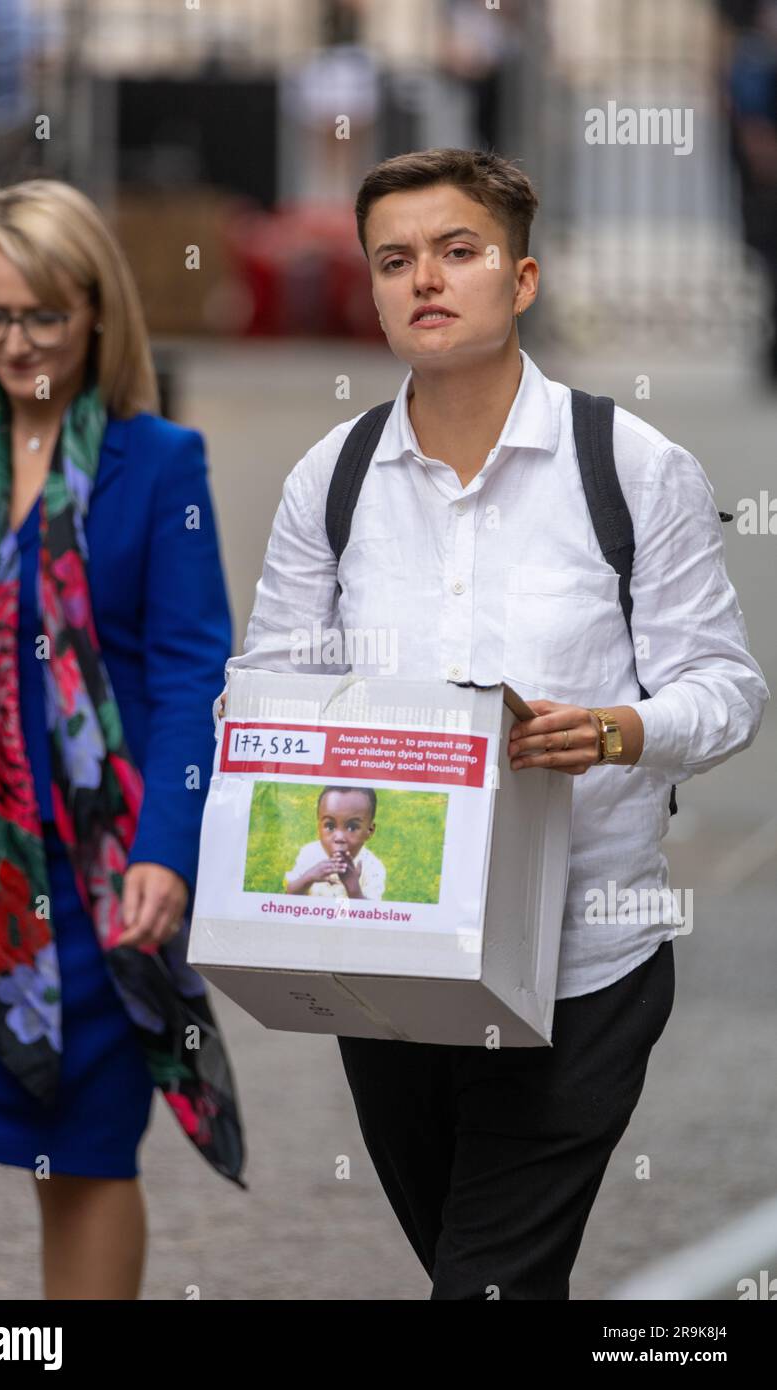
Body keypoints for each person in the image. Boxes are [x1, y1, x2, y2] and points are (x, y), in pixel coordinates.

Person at [220, 147, 769, 1299]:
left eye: (457, 251)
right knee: (477, 1271)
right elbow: (264, 686)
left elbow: (724, 690)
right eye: (394, 260)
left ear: (520, 279)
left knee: (484, 1282)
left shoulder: (630, 466)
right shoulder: (334, 475)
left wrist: (615, 731)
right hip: (391, 968)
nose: (425, 278)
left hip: (584, 956)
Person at [0, 178, 244, 1301]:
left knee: (86, 1155)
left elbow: (195, 672)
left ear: (97, 312)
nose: (15, 342)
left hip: (94, 877)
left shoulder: (159, 464)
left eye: (42, 315)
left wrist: (166, 848)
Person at [283, 785, 385, 899]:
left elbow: (370, 914)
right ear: (319, 827)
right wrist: (309, 877)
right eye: (330, 826)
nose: (339, 837)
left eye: (352, 827)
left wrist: (353, 887)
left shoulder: (372, 867)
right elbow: (289, 893)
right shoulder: (308, 854)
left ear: (369, 831)